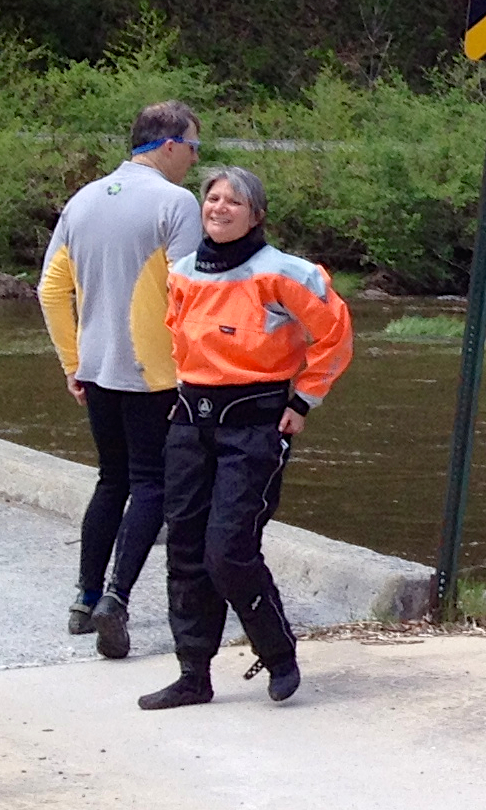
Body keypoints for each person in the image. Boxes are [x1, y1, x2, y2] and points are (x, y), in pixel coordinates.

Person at [140, 164, 353, 711]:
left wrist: (304, 399)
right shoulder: (183, 272)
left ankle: (278, 655)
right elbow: (177, 339)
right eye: (212, 198)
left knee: (228, 550)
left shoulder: (285, 274)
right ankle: (193, 674)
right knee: (185, 547)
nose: (219, 207)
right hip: (191, 421)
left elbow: (335, 333)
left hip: (255, 424)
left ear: (255, 214)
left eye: (233, 201)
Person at [37, 100, 202, 661]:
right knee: (152, 483)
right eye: (195, 148)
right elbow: (189, 294)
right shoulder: (177, 203)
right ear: (170, 144)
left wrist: (71, 361)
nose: (195, 161)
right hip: (156, 374)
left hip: (97, 367)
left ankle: (83, 600)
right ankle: (117, 598)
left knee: (112, 479)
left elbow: (48, 290)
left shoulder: (82, 199)